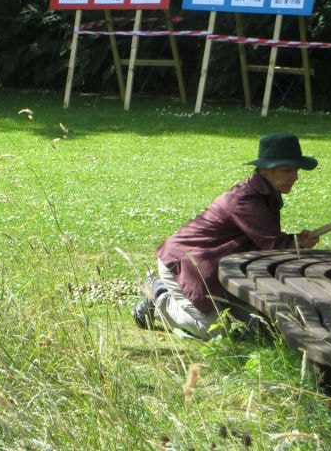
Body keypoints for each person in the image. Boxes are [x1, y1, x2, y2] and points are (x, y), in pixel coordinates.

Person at [133, 132, 320, 339]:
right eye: (288, 170)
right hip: (184, 266)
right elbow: (274, 246)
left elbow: (268, 240)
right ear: (266, 170)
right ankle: (159, 297)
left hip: (213, 272)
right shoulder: (246, 200)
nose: (295, 177)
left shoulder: (265, 192)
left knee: (258, 329)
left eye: (295, 170)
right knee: (215, 330)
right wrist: (295, 243)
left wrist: (297, 241)